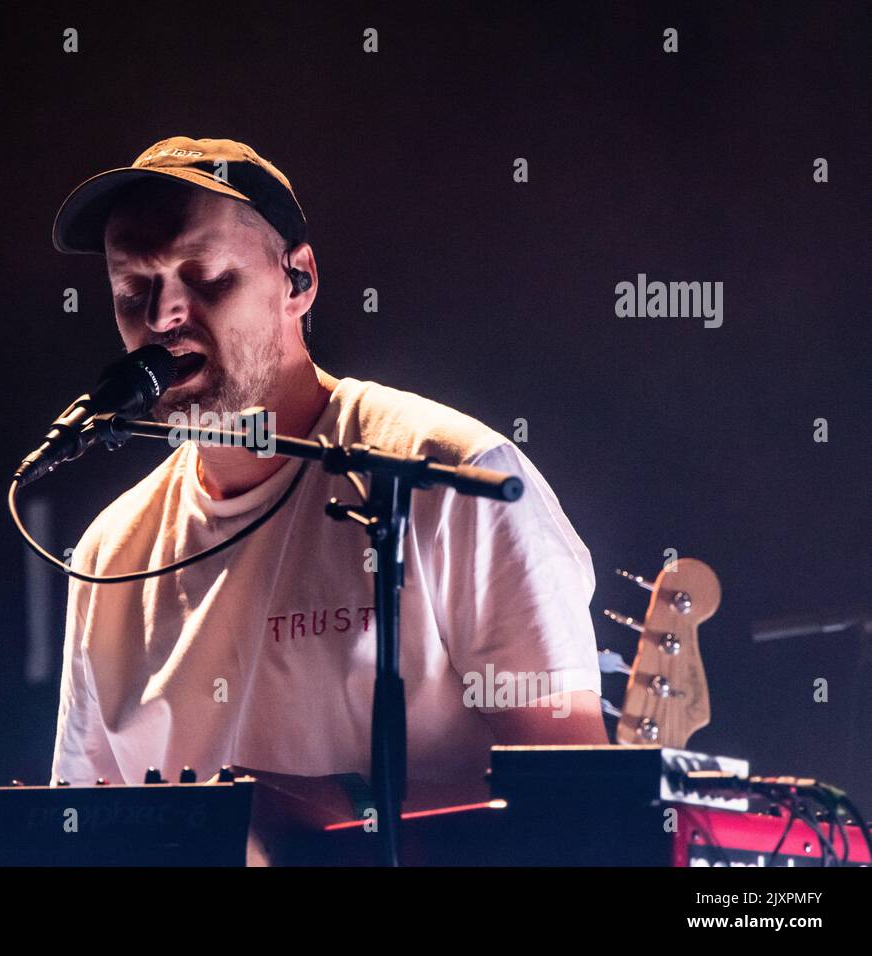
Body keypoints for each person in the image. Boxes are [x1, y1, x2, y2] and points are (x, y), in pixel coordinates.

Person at [47, 135, 607, 807]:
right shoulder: (111, 552)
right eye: (134, 288)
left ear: (298, 280)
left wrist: (327, 818)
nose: (163, 316)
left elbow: (580, 806)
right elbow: (83, 827)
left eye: (204, 277)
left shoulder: (454, 480)